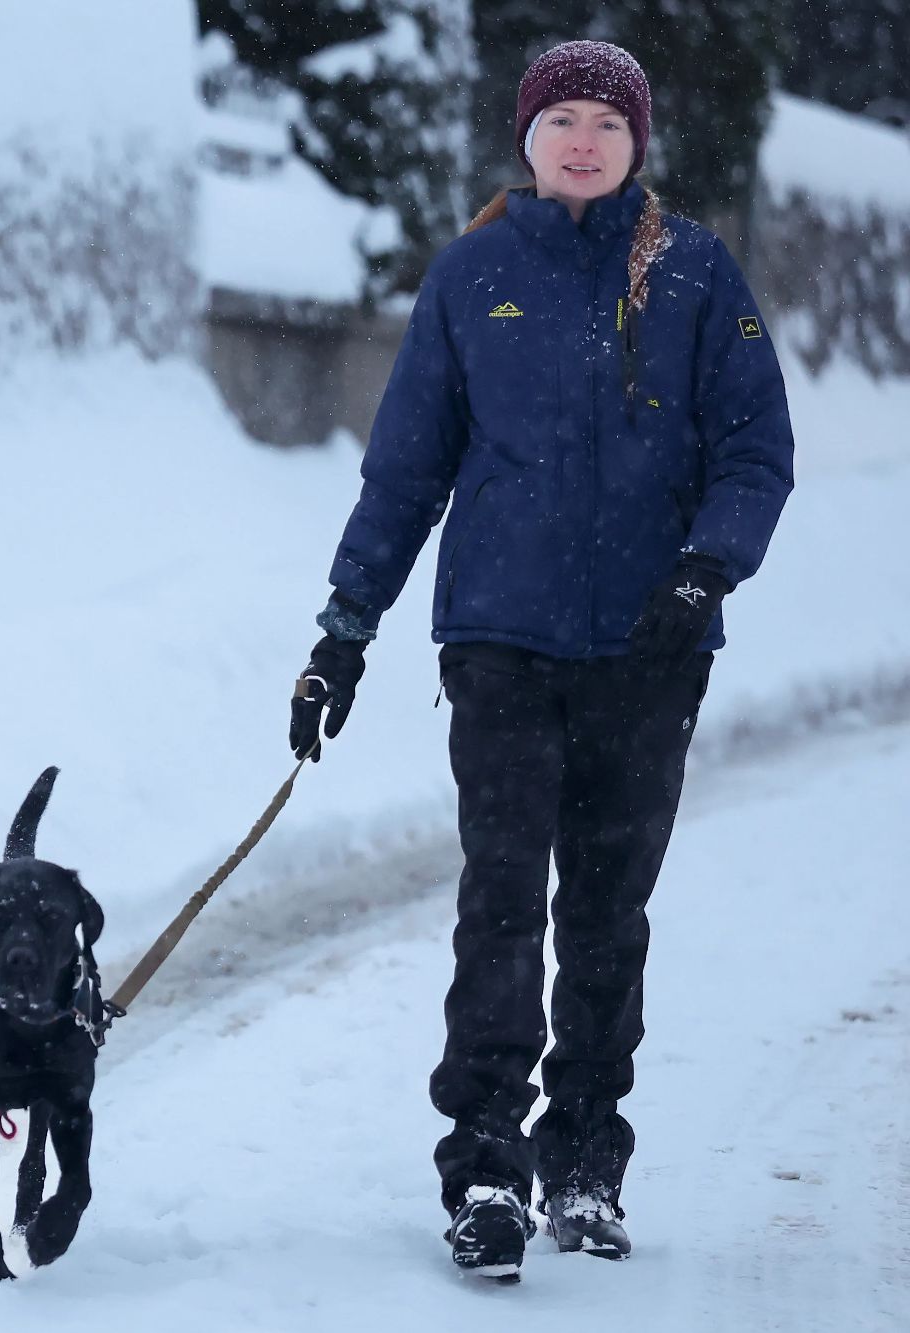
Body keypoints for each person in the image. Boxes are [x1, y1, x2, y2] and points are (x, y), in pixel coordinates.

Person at [288, 40, 794, 1281]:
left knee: (606, 915)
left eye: (605, 122)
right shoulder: (472, 274)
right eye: (559, 117)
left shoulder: (689, 272)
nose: (582, 138)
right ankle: (481, 1167)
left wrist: (702, 569)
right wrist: (341, 633)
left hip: (648, 648)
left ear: (637, 142)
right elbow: (404, 469)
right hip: (501, 646)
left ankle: (581, 1159)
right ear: (524, 137)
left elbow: (753, 447)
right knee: (500, 904)